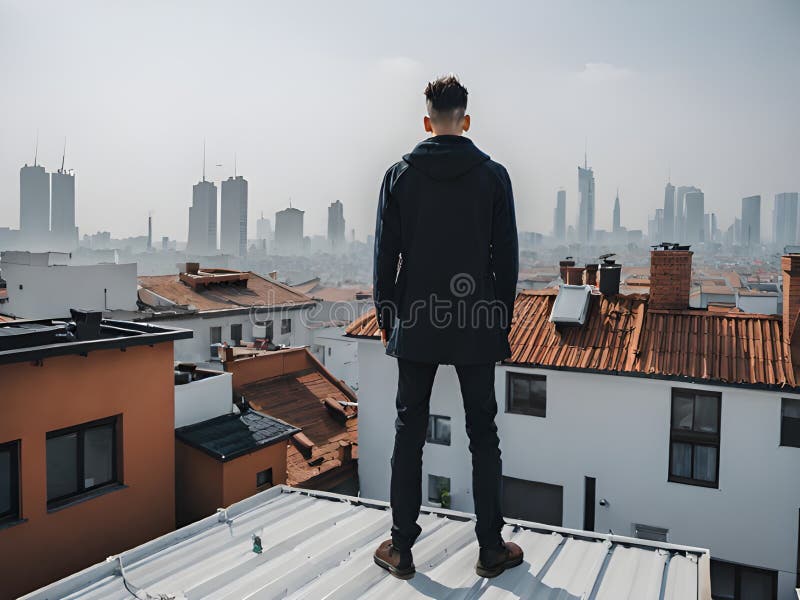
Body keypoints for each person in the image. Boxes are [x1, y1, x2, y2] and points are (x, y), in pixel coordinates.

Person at [372, 75, 521, 580]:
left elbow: (384, 260)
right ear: (466, 119)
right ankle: (490, 548)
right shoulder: (494, 176)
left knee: (407, 431)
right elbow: (507, 260)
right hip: (477, 321)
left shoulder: (399, 176)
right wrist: (499, 320)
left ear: (427, 121)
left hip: (416, 321)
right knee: (484, 432)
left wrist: (390, 320)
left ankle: (401, 549)